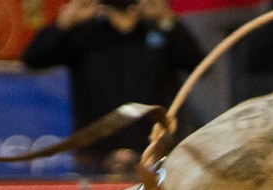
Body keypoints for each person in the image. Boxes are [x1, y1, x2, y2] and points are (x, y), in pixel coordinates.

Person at [20, 0, 205, 175]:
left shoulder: (160, 30)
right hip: (95, 161)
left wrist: (167, 21)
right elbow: (33, 59)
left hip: (154, 158)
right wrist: (64, 24)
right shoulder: (85, 32)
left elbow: (200, 66)